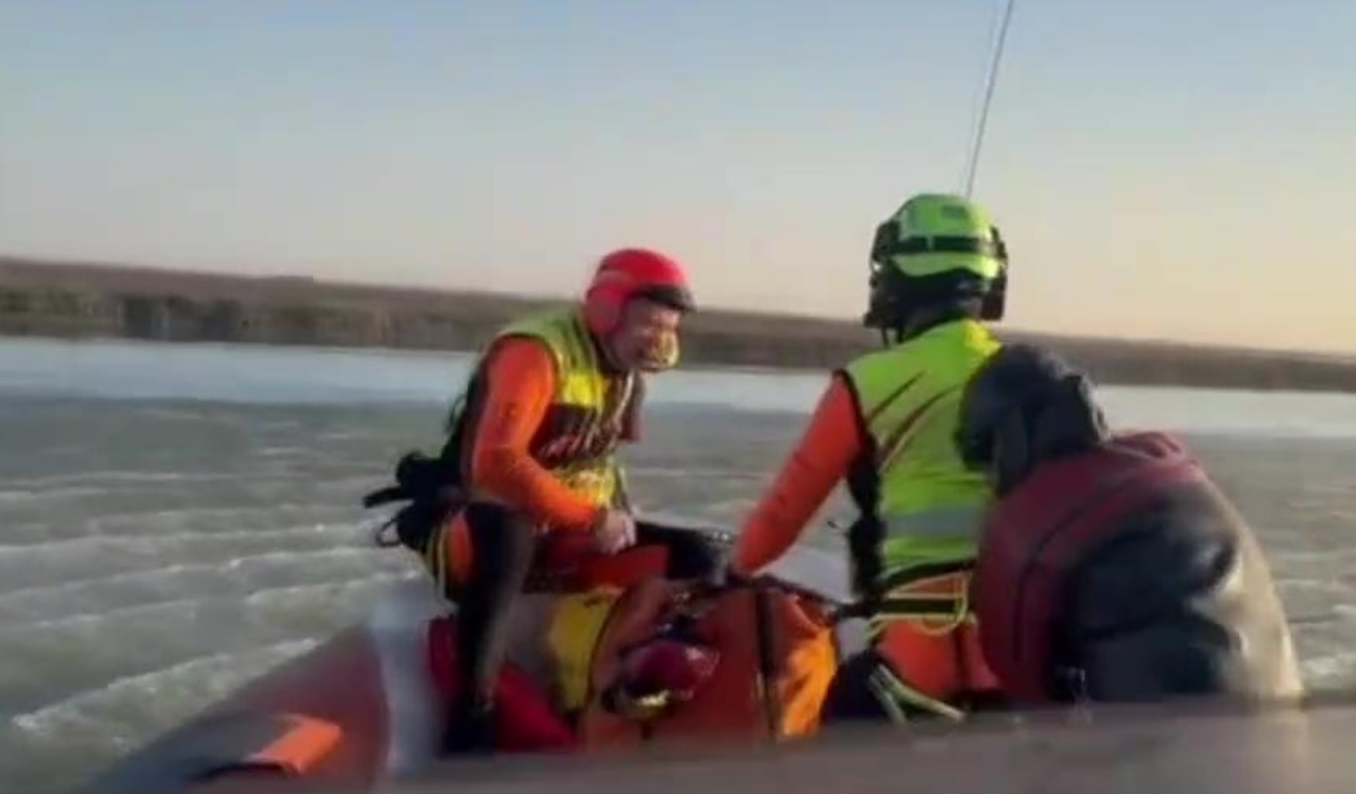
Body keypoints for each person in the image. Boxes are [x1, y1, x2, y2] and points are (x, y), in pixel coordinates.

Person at [364, 247, 726, 753]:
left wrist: (618, 515)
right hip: (477, 528)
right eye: (649, 323)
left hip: (573, 533)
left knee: (704, 553)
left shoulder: (622, 370)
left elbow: (601, 460)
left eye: (668, 328)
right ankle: (472, 719)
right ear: (608, 308)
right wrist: (591, 516)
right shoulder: (535, 352)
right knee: (506, 532)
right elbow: (496, 464)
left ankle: (645, 694)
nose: (659, 341)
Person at [726, 193, 1010, 722]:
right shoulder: (1032, 374)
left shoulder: (867, 382)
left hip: (917, 654)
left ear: (895, 281)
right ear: (991, 280)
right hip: (1021, 650)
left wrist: (734, 566)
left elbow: (786, 509)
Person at [956, 343, 1303, 705]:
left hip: (1162, 750)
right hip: (1281, 730)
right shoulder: (1171, 470)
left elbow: (1018, 674)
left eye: (984, 461)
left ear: (1009, 440)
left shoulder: (1035, 518)